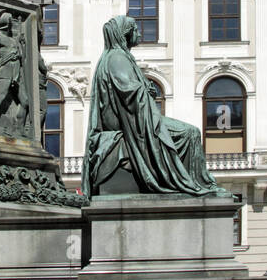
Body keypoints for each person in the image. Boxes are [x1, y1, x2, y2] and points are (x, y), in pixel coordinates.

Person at [82, 15, 226, 198]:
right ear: (126, 34)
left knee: (189, 133)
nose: (139, 33)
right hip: (136, 123)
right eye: (135, 29)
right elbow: (131, 96)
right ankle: (194, 185)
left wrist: (145, 89)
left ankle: (193, 184)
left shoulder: (117, 57)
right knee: (191, 134)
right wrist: (146, 91)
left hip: (139, 119)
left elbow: (131, 92)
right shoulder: (117, 58)